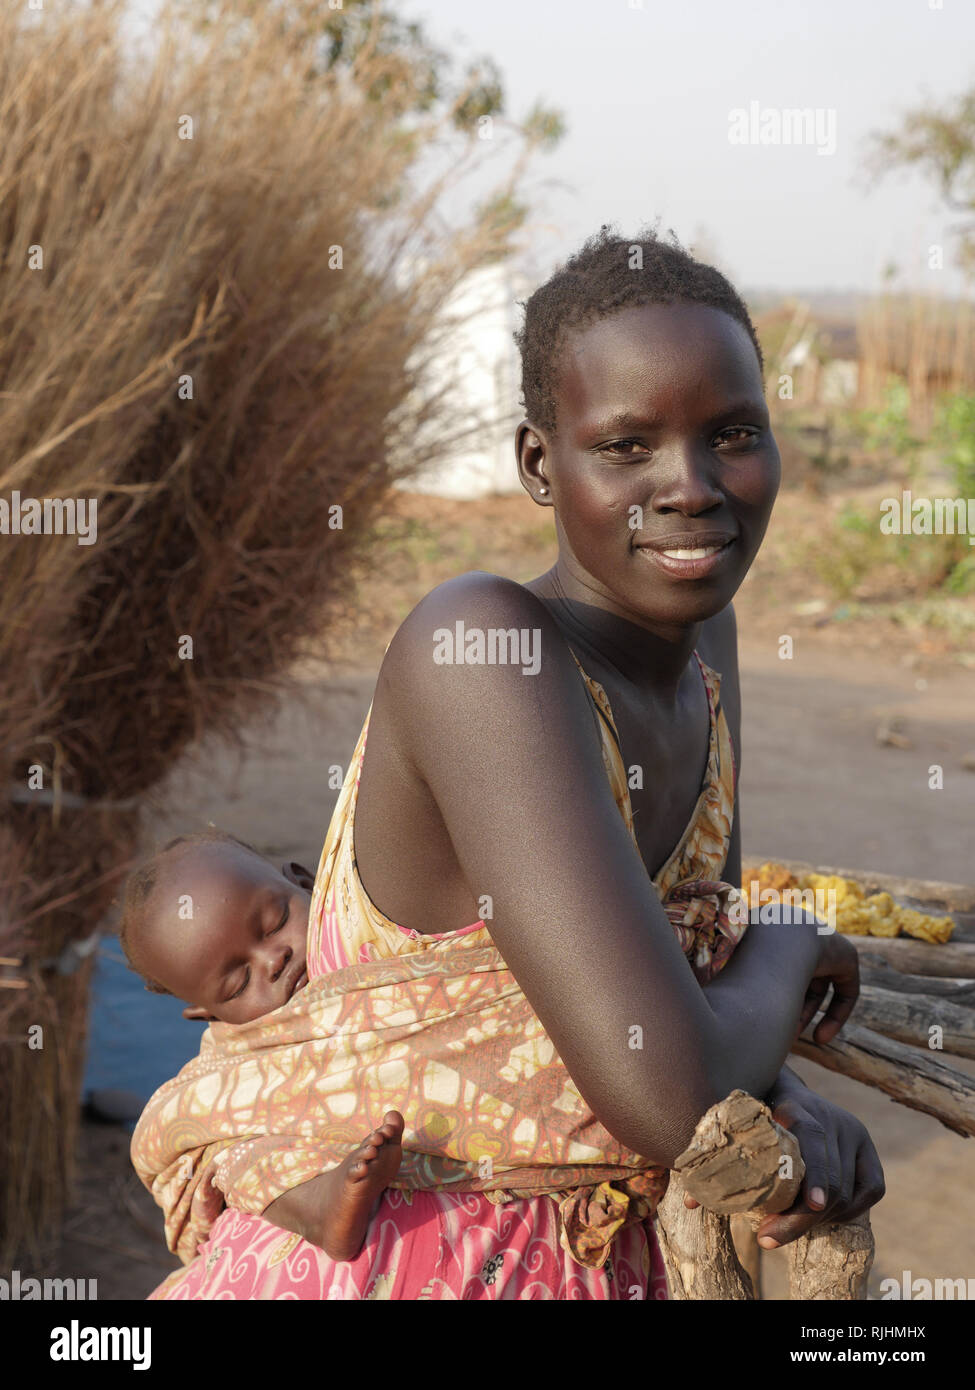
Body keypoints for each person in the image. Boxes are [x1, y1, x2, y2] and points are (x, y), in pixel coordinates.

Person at [132, 225, 884, 1300]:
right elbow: (672, 1094)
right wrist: (797, 930)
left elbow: (691, 973)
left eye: (733, 433)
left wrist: (779, 1091)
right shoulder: (479, 648)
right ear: (541, 461)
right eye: (627, 445)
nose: (691, 485)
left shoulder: (702, 640)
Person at [118, 829, 406, 1264]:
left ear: (307, 881)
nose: (273, 960)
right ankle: (318, 1210)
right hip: (293, 1166)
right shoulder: (228, 1072)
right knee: (234, 1157)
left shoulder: (384, 943)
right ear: (207, 1014)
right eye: (237, 984)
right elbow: (175, 1125)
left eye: (274, 924)